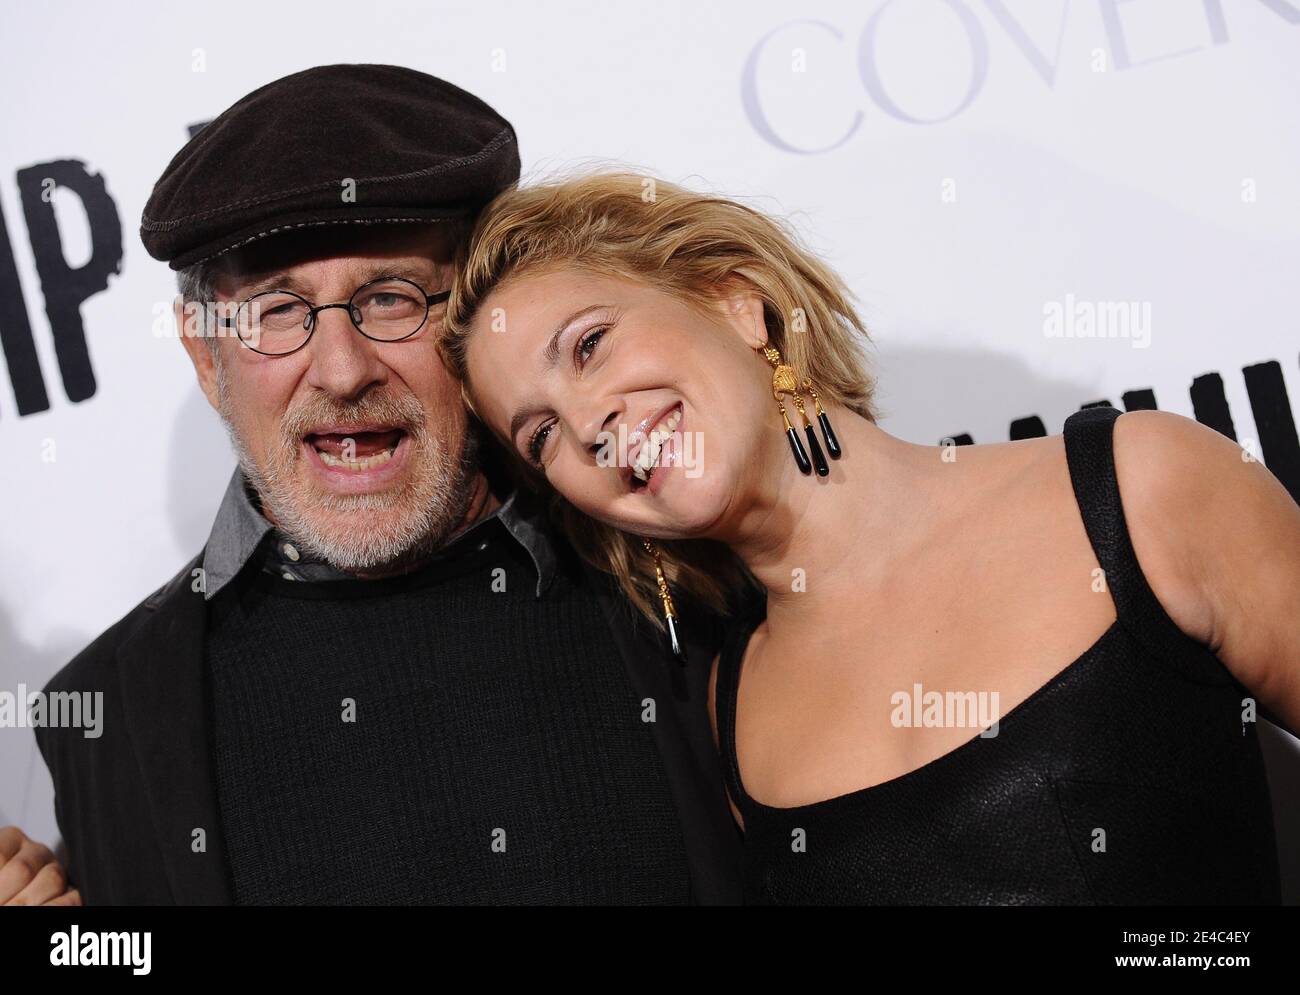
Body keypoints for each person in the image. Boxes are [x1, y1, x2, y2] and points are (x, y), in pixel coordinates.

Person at [443, 170, 1300, 904]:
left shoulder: (1137, 488)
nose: (589, 423)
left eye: (590, 344)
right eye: (541, 435)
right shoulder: (729, 708)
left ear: (737, 302)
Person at [13, 68, 742, 905]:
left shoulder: (680, 566)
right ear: (204, 358)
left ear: (477, 319)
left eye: (390, 299)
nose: (343, 370)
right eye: (276, 312)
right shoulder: (108, 715)